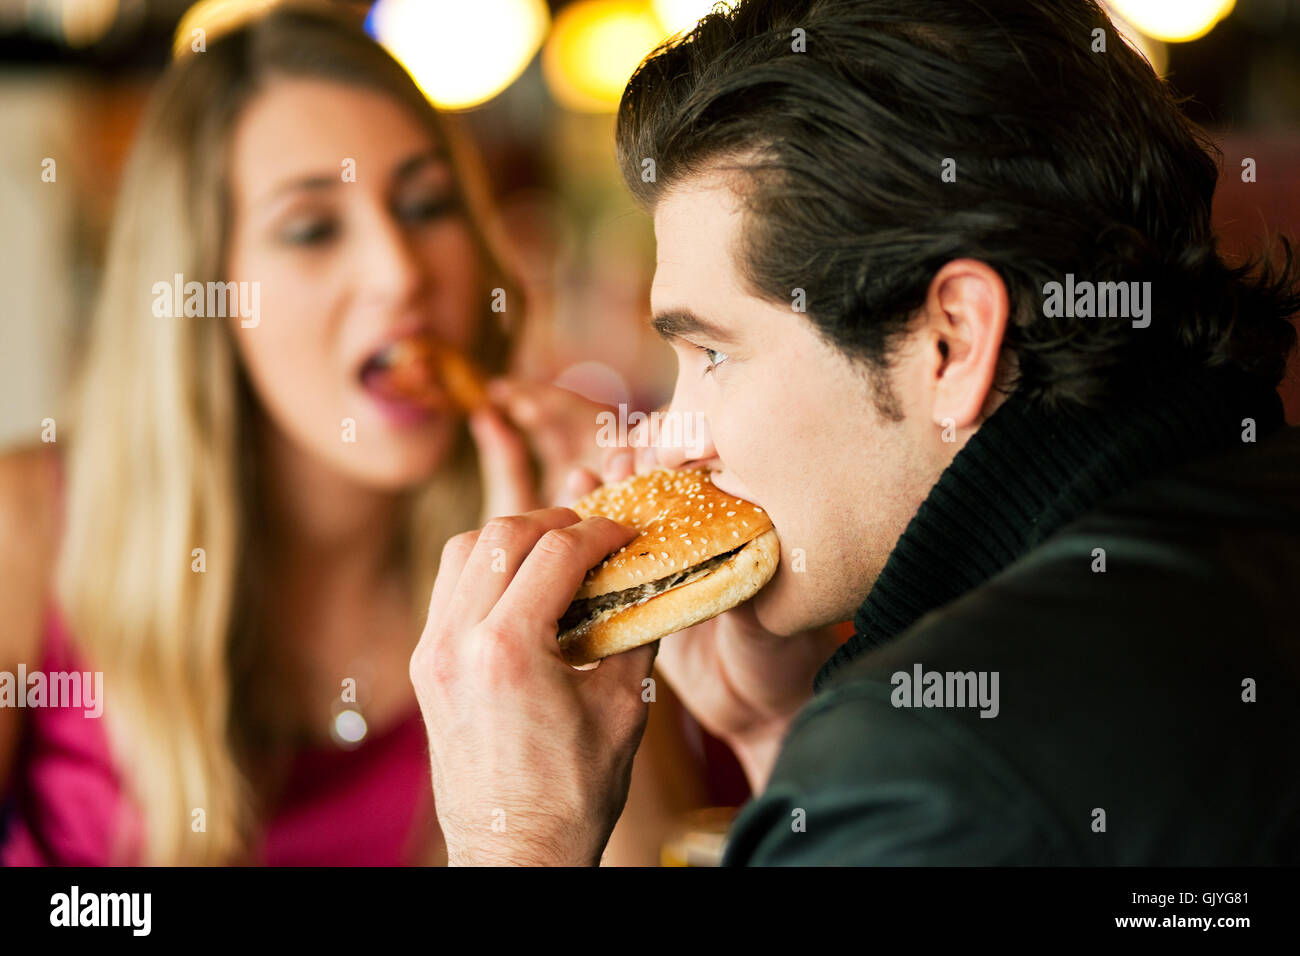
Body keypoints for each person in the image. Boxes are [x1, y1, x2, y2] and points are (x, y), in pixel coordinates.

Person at [409, 0, 1300, 865]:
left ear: (952, 341)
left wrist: (513, 837)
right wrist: (780, 737)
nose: (674, 441)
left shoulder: (934, 761)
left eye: (713, 352)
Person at [0, 4, 709, 866]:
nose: (399, 270)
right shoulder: (27, 533)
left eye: (425, 205)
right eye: (311, 228)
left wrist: (584, 618)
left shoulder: (550, 539)